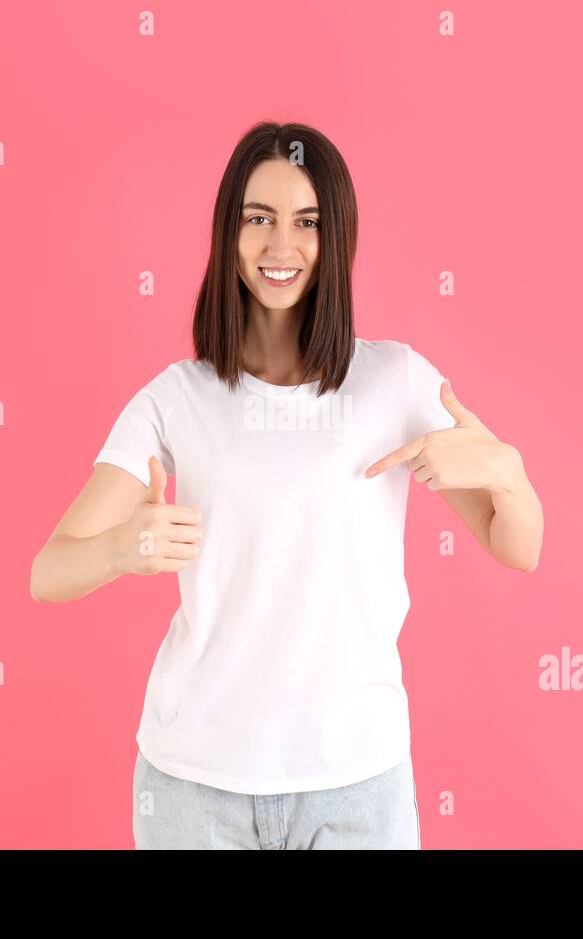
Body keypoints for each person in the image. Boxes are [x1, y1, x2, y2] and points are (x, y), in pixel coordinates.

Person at [30, 121, 544, 849]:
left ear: (336, 239)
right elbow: (48, 572)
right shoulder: (176, 399)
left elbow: (517, 545)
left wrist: (508, 473)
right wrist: (123, 546)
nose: (280, 246)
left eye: (307, 223)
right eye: (258, 219)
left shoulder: (395, 383)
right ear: (228, 233)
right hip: (193, 792)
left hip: (356, 787)